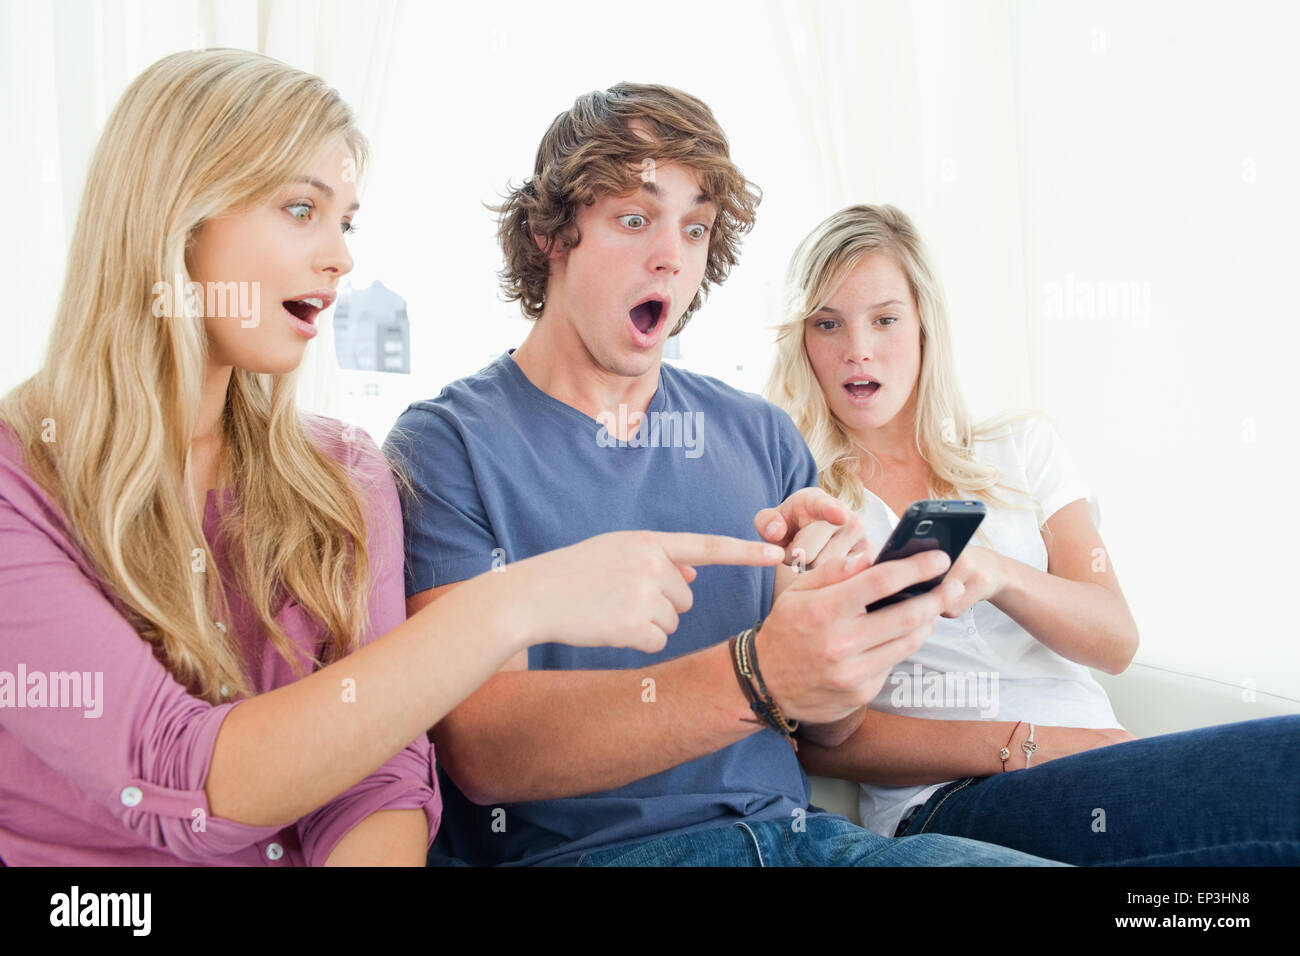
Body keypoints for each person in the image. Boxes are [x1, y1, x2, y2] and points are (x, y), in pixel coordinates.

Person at [0, 50, 781, 867]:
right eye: (302, 209)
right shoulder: (22, 481)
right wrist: (516, 602)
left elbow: (381, 785)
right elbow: (173, 778)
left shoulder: (342, 473)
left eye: (346, 221)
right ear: (174, 215)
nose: (340, 258)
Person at [385, 84, 1064, 867]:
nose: (672, 255)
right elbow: (489, 752)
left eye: (696, 227)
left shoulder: (761, 436)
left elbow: (827, 734)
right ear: (550, 235)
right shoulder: (446, 447)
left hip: (812, 843)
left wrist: (836, 638)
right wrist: (759, 673)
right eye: (634, 219)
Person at [766, 203, 1300, 865]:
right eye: (828, 324)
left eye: (884, 318)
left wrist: (1001, 576)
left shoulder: (1021, 448)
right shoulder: (807, 501)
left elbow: (1114, 640)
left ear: (926, 325)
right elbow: (816, 739)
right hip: (953, 798)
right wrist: (1026, 742)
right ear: (803, 339)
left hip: (1099, 759)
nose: (858, 350)